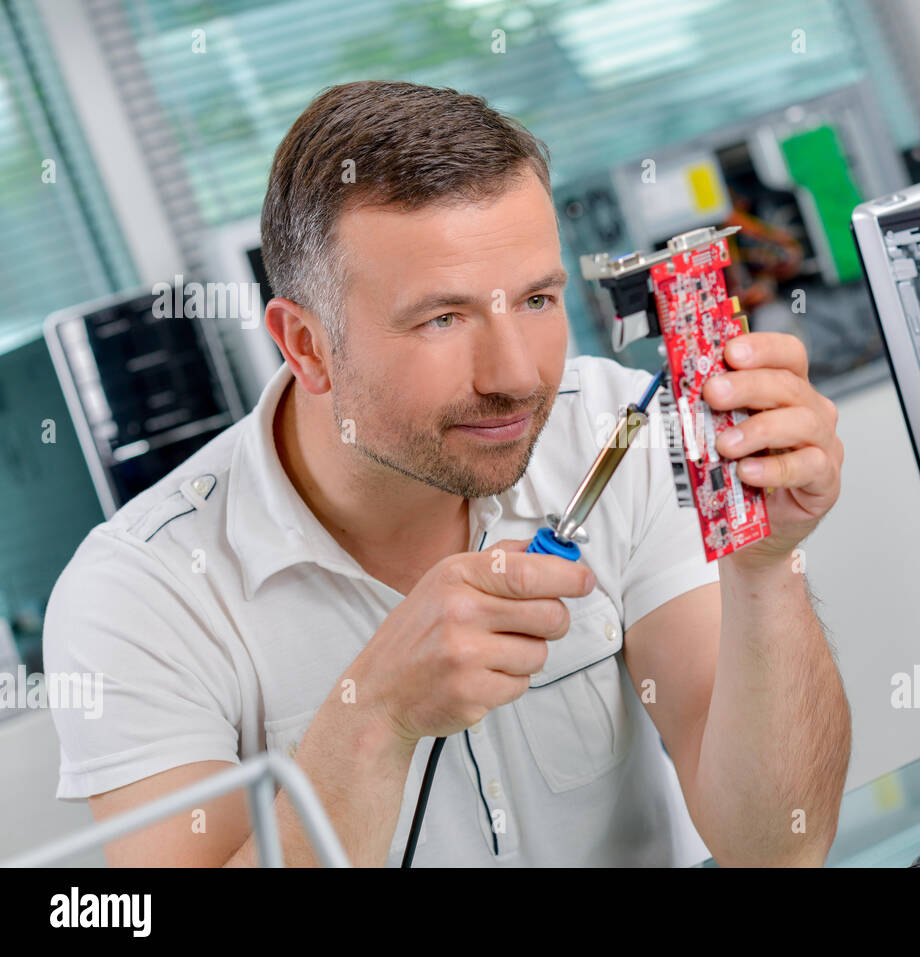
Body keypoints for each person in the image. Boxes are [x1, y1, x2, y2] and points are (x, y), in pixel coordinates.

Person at [44, 81, 849, 867]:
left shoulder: (611, 427)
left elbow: (779, 845)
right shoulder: (139, 594)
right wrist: (379, 716)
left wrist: (764, 567)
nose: (516, 376)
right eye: (443, 318)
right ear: (306, 346)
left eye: (536, 301)